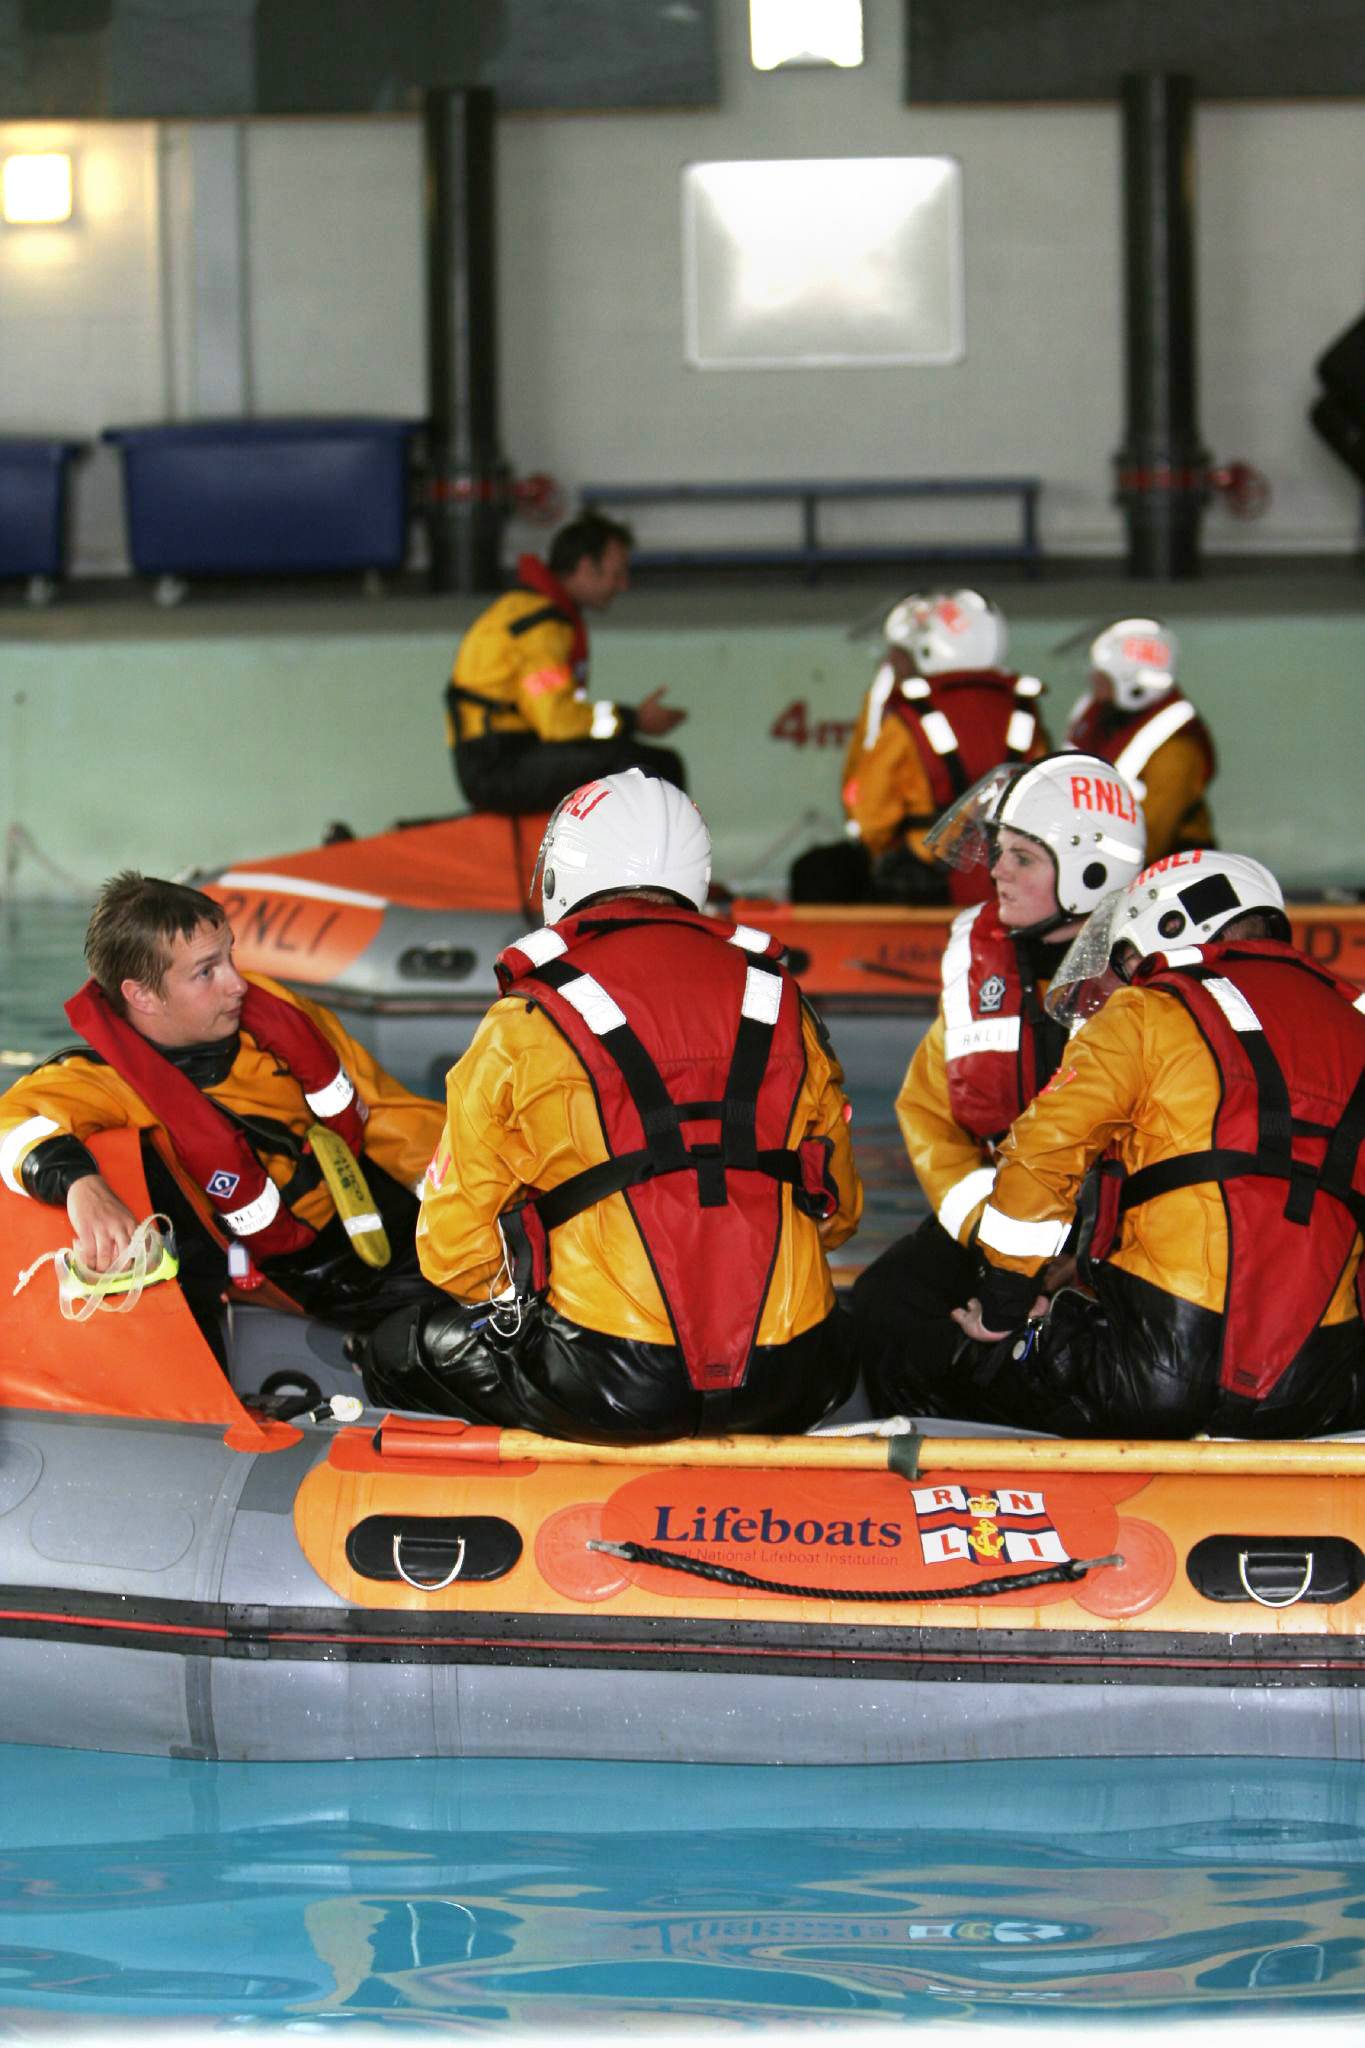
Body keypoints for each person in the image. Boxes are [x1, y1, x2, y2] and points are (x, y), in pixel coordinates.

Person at [356, 769, 863, 1443]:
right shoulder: (779, 1002)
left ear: (564, 872)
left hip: (612, 1381)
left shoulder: (527, 1018)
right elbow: (839, 1215)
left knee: (395, 1346)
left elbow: (454, 1251)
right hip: (793, 1375)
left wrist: (514, 1303)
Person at [948, 851, 1365, 1438]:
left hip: (1160, 1373)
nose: (1124, 975)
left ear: (1167, 928)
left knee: (955, 1355)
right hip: (1319, 1387)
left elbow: (1041, 1149)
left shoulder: (1148, 1010)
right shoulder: (1356, 1023)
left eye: (1125, 958)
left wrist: (1006, 1301)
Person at [0, 873, 447, 1349]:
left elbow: (386, 1111)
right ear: (142, 996)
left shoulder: (276, 1016)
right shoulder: (104, 1079)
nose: (237, 984)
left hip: (376, 1216)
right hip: (302, 1275)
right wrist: (81, 1186)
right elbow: (13, 1122)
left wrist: (466, 1198)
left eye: (229, 955)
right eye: (206, 971)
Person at [850, 752, 1147, 1415]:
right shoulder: (983, 968)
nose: (997, 872)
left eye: (1022, 858)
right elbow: (929, 1114)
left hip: (1118, 1240)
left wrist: (1081, 1256)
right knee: (883, 1303)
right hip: (1000, 1226)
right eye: (999, 852)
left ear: (1087, 872)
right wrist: (995, 1235)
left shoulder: (1149, 987)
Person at [793, 589, 1052, 906]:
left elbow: (872, 816)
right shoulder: (1024, 711)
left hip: (925, 884)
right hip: (1011, 879)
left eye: (903, 654)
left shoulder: (910, 717)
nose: (893, 662)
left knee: (816, 871)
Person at [446, 510, 688, 815]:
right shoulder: (540, 625)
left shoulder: (534, 613)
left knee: (643, 763)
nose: (623, 585)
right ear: (587, 567)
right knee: (647, 769)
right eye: (617, 573)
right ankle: (660, 860)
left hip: (508, 755)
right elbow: (557, 722)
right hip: (498, 767)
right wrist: (632, 720)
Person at [1066, 617, 1216, 859]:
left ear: (1132, 684)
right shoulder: (1098, 721)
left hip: (1163, 877)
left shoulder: (1177, 750)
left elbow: (1152, 839)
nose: (1093, 682)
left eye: (1103, 677)